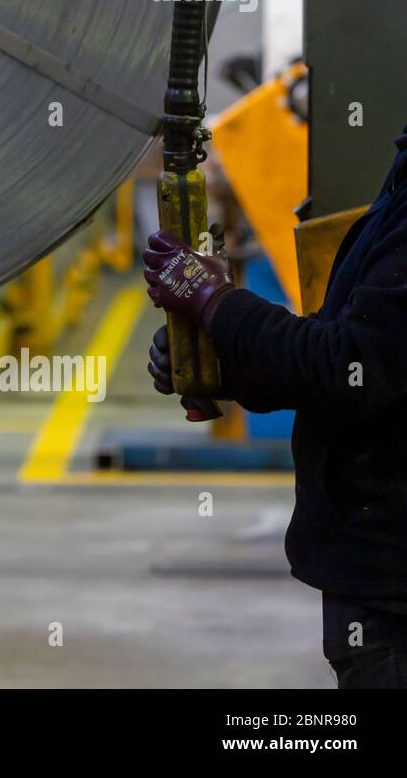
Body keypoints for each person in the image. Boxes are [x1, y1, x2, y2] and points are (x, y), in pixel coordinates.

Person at [143, 127, 407, 690]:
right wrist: (227, 364)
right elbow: (355, 346)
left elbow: (351, 366)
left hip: (393, 592)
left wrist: (217, 303)